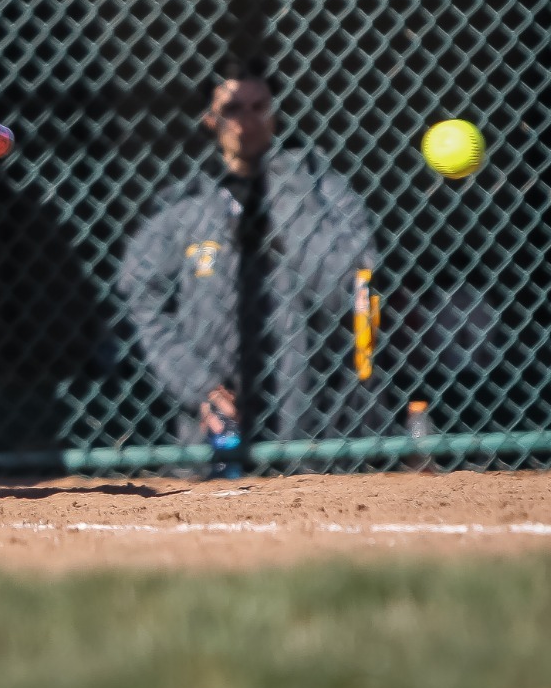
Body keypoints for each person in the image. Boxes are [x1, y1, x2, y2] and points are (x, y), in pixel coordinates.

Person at [117, 56, 378, 462]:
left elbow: (344, 291)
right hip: (214, 434)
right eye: (232, 109)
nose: (246, 121)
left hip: (312, 428)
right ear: (209, 119)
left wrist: (286, 193)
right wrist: (199, 385)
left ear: (275, 115)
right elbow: (142, 297)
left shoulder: (318, 190)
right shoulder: (183, 208)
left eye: (259, 107)